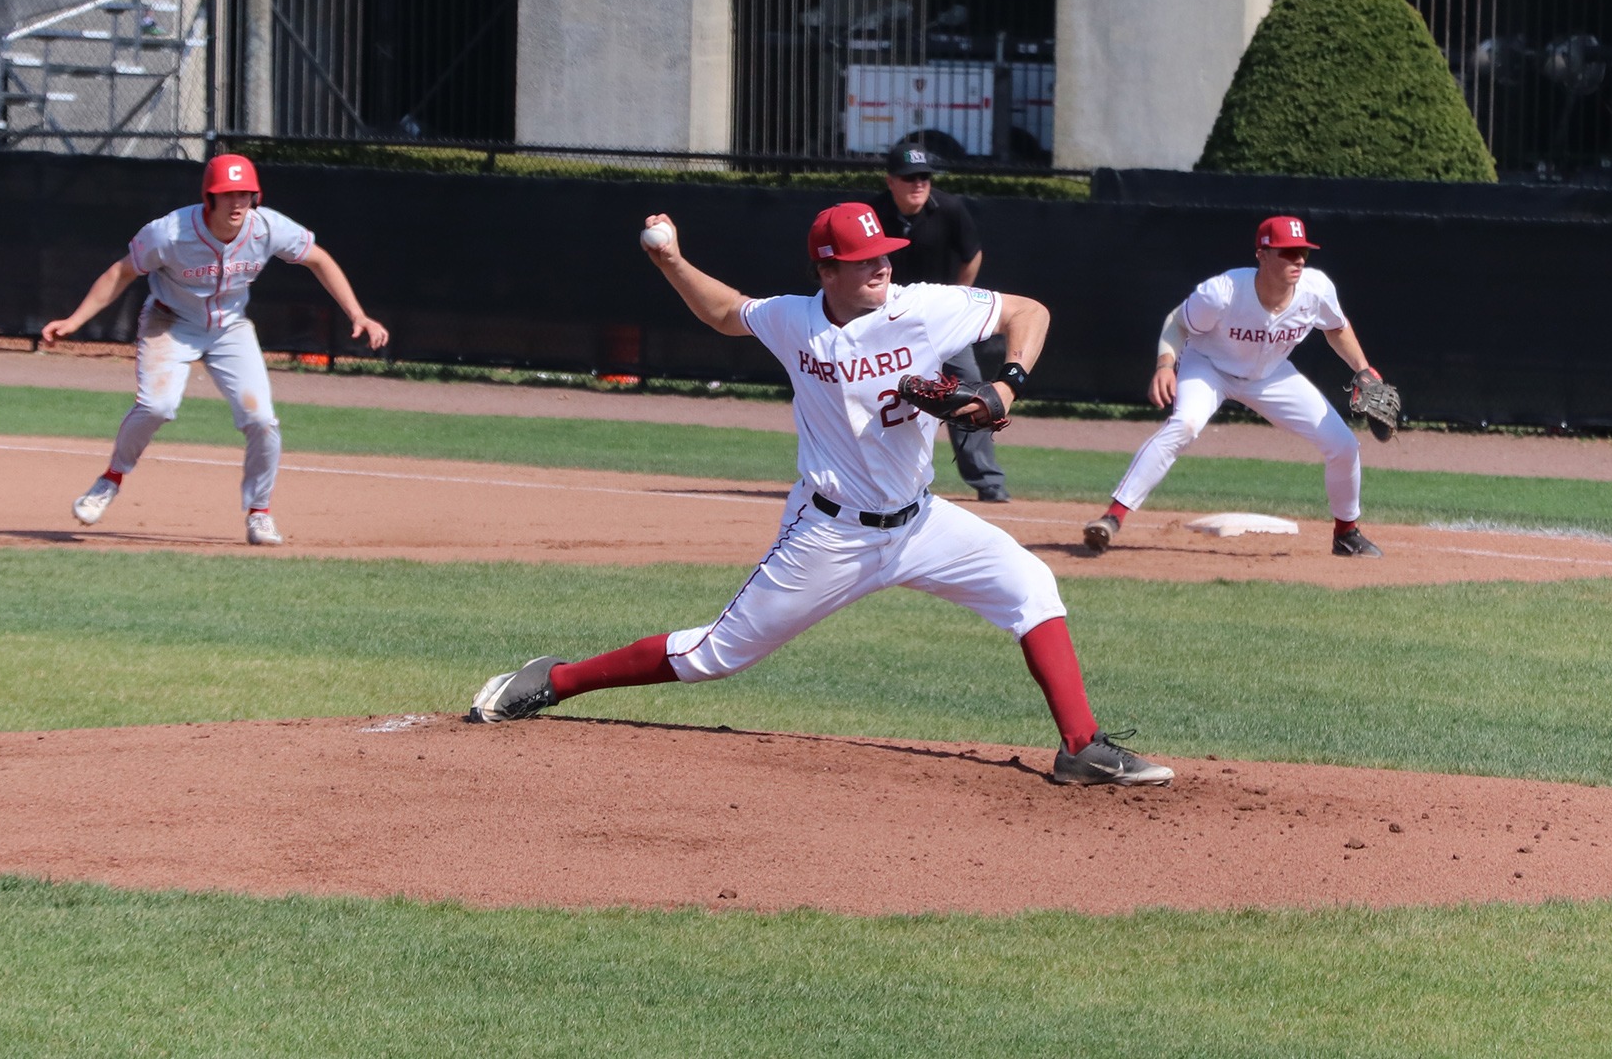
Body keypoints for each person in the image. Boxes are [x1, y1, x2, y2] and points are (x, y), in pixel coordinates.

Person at [464, 202, 1173, 788]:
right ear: (826, 269)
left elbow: (1031, 311)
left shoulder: (924, 309)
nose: (884, 265)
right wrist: (670, 260)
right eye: (867, 259)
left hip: (921, 522)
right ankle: (554, 680)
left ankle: (1080, 746)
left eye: (886, 254)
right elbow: (724, 313)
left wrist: (1004, 383)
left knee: (1031, 583)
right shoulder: (794, 319)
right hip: (832, 533)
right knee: (716, 655)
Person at [41, 154, 389, 546]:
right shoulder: (170, 233)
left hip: (229, 329)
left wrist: (358, 314)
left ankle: (260, 512)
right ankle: (110, 479)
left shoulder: (267, 227)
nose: (237, 202)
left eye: (245, 193)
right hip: (170, 322)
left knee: (262, 420)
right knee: (157, 406)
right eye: (227, 194)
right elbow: (120, 272)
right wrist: (74, 320)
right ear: (209, 197)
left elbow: (319, 259)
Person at [1082, 216, 1384, 558]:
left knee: (1343, 444)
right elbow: (1177, 322)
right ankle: (1112, 518)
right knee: (1184, 424)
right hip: (1209, 367)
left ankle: (1346, 534)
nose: (1298, 259)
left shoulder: (1316, 290)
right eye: (1287, 252)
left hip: (1272, 375)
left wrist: (1363, 369)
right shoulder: (1222, 292)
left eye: (1302, 251)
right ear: (1262, 255)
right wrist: (1165, 365)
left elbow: (1336, 327)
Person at [868, 145, 1009, 503]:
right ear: (890, 181)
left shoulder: (949, 209)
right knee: (874, 396)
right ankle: (875, 478)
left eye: (925, 176)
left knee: (970, 392)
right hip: (888, 320)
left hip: (940, 321)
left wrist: (959, 299)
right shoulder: (873, 214)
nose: (919, 183)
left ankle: (988, 481)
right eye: (909, 177)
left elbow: (972, 254)